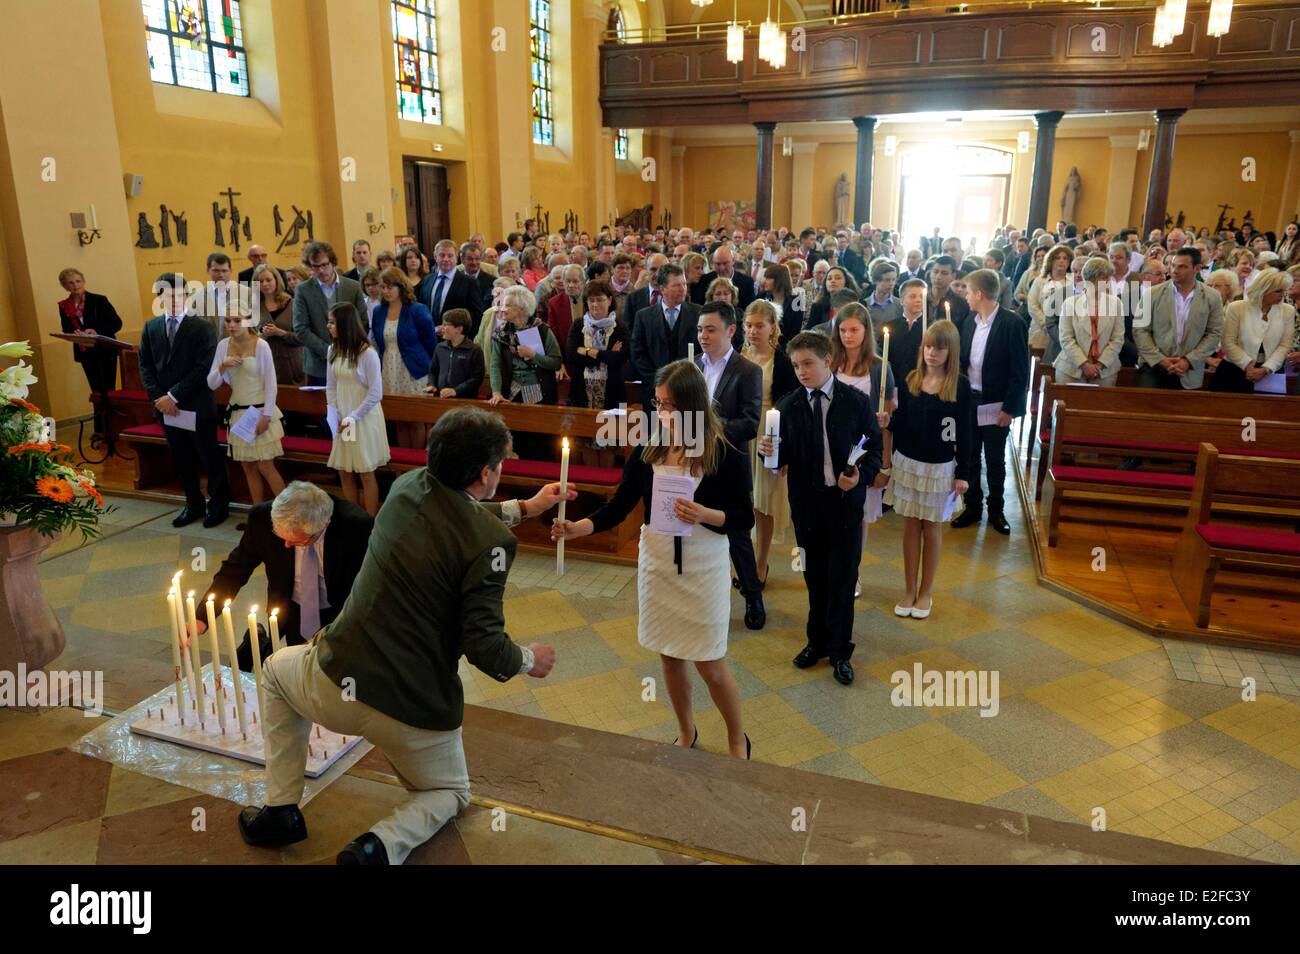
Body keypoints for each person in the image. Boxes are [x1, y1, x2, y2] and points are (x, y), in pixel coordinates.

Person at [239, 408, 571, 864]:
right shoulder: (491, 544)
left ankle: (280, 811)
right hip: (414, 710)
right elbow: (485, 647)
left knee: (276, 673)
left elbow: (452, 512)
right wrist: (530, 660)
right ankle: (377, 848)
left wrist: (525, 509)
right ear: (486, 472)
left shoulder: (404, 486)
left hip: (334, 679)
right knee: (450, 792)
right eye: (499, 465)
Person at [553, 362, 754, 757]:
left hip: (702, 564)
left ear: (694, 405)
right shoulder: (651, 448)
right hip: (660, 563)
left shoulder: (724, 451)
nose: (662, 413)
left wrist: (704, 514)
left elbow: (744, 517)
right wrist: (580, 528)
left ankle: (736, 737)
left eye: (671, 406)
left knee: (710, 663)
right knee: (669, 657)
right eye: (659, 404)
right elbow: (621, 503)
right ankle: (686, 730)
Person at [758, 332, 882, 687]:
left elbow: (874, 451)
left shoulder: (855, 402)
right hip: (808, 505)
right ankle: (817, 641)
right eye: (796, 365)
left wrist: (860, 476)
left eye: (808, 363)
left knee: (842, 578)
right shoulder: (787, 406)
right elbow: (777, 463)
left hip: (844, 504)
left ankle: (840, 650)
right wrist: (768, 451)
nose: (801, 371)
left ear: (828, 360)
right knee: (814, 576)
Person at [194, 480, 372, 668]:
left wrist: (327, 634)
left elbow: (365, 592)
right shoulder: (262, 517)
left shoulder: (357, 528)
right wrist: (202, 617)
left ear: (324, 525)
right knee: (297, 671)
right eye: (282, 537)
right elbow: (235, 570)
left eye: (296, 541)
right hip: (293, 610)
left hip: (339, 614)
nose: (286, 545)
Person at [881, 319, 973, 619]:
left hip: (939, 467)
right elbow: (903, 422)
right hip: (908, 462)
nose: (932, 353)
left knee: (931, 528)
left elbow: (968, 433)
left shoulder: (959, 386)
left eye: (940, 348)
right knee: (910, 526)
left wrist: (964, 474)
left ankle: (926, 592)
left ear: (951, 351)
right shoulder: (911, 380)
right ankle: (909, 590)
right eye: (929, 347)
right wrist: (887, 422)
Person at [693, 302, 765, 630]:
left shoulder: (748, 370)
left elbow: (750, 422)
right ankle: (702, 596)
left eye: (711, 329)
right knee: (697, 531)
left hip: (731, 466)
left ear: (730, 331)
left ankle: (753, 597)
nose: (703, 336)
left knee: (737, 536)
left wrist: (711, 434)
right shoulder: (692, 367)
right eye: (700, 330)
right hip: (695, 466)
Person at [138, 273, 229, 528]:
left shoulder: (202, 327)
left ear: (187, 296)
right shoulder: (151, 327)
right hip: (166, 409)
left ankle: (219, 503)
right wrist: (159, 398)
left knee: (208, 457)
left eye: (179, 295)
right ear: (160, 298)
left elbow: (203, 368)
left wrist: (173, 395)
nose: (175, 300)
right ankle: (193, 502)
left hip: (196, 405)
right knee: (182, 458)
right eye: (169, 295)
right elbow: (145, 365)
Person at [950, 269, 1028, 536]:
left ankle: (996, 510)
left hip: (996, 404)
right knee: (969, 457)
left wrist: (1009, 409)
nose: (966, 296)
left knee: (995, 460)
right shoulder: (970, 321)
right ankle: (972, 508)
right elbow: (964, 361)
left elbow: (1020, 372)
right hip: (970, 400)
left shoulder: (1012, 323)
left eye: (968, 291)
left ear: (979, 294)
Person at [830, 303, 894, 597]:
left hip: (864, 450)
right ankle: (832, 568)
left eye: (854, 330)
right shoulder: (831, 363)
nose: (847, 336)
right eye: (842, 330)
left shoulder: (880, 366)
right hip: (832, 446)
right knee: (831, 511)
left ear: (866, 331)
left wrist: (885, 418)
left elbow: (889, 414)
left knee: (859, 517)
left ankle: (852, 572)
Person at [739, 300, 796, 595]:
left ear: (773, 327)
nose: (753, 331)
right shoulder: (739, 355)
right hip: (742, 432)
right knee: (744, 500)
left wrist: (779, 443)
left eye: (760, 325)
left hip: (767, 431)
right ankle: (746, 560)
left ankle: (761, 563)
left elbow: (786, 404)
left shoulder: (780, 360)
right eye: (749, 325)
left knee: (764, 501)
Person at [208, 308, 286, 504]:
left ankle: (290, 516)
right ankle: (257, 513)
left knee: (265, 466)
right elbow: (211, 383)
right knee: (248, 467)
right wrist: (223, 366)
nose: (232, 325)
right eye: (228, 321)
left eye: (237, 320)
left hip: (259, 411)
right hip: (238, 412)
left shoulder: (260, 345)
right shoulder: (223, 346)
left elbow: (271, 384)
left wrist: (266, 416)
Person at [326, 302, 389, 516]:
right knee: (344, 470)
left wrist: (352, 417)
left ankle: (369, 521)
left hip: (362, 418)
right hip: (343, 418)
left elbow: (376, 393)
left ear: (345, 324)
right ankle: (353, 517)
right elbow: (331, 386)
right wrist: (334, 413)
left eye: (332, 322)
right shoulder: (332, 349)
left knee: (365, 472)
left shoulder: (367, 353)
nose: (329, 326)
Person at [1134, 247, 1224, 390]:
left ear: (1197, 268)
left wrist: (1189, 360)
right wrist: (1161, 359)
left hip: (1190, 370)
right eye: (1173, 265)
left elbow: (1214, 333)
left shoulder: (1212, 297)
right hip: (1154, 366)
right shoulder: (1152, 294)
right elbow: (1140, 330)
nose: (1175, 270)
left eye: (1182, 266)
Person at [372, 268, 437, 449]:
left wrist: (433, 373)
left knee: (416, 419)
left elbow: (431, 343)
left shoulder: (417, 310)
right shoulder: (378, 312)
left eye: (390, 287)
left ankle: (417, 465)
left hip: (414, 370)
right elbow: (378, 343)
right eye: (383, 287)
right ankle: (404, 467)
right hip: (389, 369)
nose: (386, 291)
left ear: (401, 287)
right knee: (399, 418)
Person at [56, 268, 122, 441]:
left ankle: (112, 429)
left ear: (83, 282)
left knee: (108, 390)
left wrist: (96, 330)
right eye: (70, 282)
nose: (75, 285)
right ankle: (101, 430)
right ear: (64, 286)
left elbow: (116, 323)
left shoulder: (99, 300)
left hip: (105, 350)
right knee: (96, 391)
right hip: (86, 353)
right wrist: (75, 332)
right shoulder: (64, 306)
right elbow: (66, 328)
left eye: (78, 281)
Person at [293, 241, 367, 386]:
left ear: (332, 262)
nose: (320, 271)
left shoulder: (353, 287)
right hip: (318, 364)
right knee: (323, 407)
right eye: (315, 266)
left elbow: (363, 321)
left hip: (351, 359)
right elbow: (300, 328)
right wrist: (329, 351)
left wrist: (347, 348)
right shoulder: (303, 290)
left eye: (324, 265)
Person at [630, 263, 701, 409]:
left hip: (688, 392)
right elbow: (637, 353)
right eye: (676, 285)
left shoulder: (698, 313)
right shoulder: (644, 316)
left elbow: (702, 351)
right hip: (654, 393)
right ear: (662, 289)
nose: (683, 289)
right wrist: (658, 381)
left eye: (684, 284)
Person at [1212, 269, 1295, 393]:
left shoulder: (1288, 310)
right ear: (1263, 289)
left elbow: (1285, 345)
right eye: (1278, 291)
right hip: (1234, 370)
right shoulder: (1237, 308)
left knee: (1269, 411)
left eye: (1285, 290)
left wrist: (1266, 368)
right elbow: (1228, 342)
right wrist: (1248, 366)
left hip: (1271, 373)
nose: (1283, 294)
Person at [1055, 257, 1126, 386]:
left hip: (1105, 371)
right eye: (1105, 278)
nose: (1109, 282)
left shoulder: (1116, 304)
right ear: (1091, 279)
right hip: (1072, 369)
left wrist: (1099, 364)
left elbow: (1117, 339)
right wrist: (1084, 364)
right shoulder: (1070, 303)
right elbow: (1066, 338)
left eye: (1109, 278)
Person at [488, 284, 562, 406]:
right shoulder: (500, 333)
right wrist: (496, 392)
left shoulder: (542, 330)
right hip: (510, 390)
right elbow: (495, 366)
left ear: (521, 308)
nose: (502, 309)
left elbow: (556, 363)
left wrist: (533, 355)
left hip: (538, 389)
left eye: (507, 305)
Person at [565, 279, 628, 410]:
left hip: (612, 390)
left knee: (613, 430)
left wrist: (586, 351)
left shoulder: (620, 327)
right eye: (591, 300)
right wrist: (606, 355)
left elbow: (620, 358)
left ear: (610, 300)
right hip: (581, 389)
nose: (595, 304)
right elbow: (571, 355)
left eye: (600, 299)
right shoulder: (578, 325)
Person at [420, 239, 484, 334]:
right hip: (429, 337)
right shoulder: (427, 280)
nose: (446, 259)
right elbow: (422, 308)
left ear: (456, 258)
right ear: (435, 257)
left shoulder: (469, 282)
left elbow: (476, 315)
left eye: (450, 256)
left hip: (456, 338)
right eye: (442, 255)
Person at [426, 308, 486, 399]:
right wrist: (431, 384)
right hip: (440, 397)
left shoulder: (474, 350)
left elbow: (476, 378)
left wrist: (455, 391)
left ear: (458, 329)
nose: (441, 328)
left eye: (445, 325)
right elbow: (433, 370)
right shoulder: (440, 347)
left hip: (465, 400)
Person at [1029, 243, 1072, 361]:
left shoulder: (1072, 282)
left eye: (1065, 258)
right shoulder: (1040, 280)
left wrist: (1056, 329)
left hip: (1063, 331)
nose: (1061, 261)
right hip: (1040, 330)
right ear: (1051, 260)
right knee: (1037, 367)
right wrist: (1046, 323)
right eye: (1057, 258)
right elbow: (1032, 305)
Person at [882, 278, 928, 388]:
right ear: (901, 301)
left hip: (922, 383)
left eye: (922, 297)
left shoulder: (933, 328)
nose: (918, 300)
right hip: (895, 383)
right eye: (913, 296)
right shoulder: (889, 327)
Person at [546, 264, 586, 364]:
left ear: (583, 282)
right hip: (567, 356)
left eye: (575, 281)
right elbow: (553, 336)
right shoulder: (554, 303)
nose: (571, 285)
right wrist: (560, 362)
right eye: (568, 281)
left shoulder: (592, 299)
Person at [760, 262, 806, 342]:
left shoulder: (797, 301)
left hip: (785, 346)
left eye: (768, 278)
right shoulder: (762, 297)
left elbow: (795, 332)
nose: (765, 282)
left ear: (779, 280)